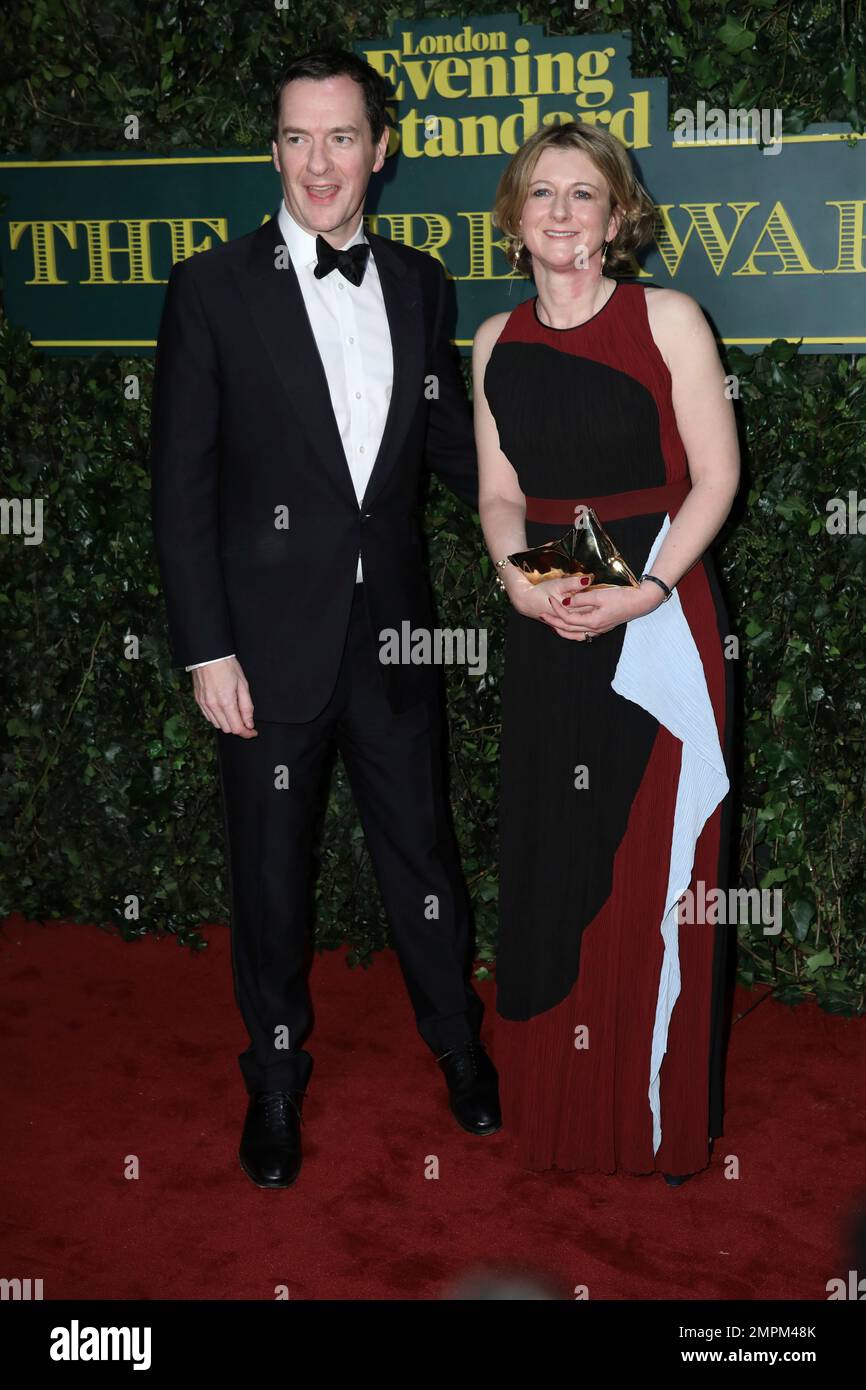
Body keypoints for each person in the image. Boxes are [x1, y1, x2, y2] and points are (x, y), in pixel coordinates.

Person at [149, 48, 501, 1190]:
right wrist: (206, 645)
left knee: (423, 852)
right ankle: (278, 1084)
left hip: (393, 636)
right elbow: (181, 485)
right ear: (274, 149)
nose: (318, 162)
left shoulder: (419, 282)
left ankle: (458, 1046)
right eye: (297, 138)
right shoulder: (210, 289)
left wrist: (568, 520)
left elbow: (453, 449)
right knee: (269, 875)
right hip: (261, 646)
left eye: (340, 136)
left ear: (379, 149)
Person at [472, 121, 740, 1183]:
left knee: (649, 864)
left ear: (619, 216)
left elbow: (713, 478)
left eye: (584, 195)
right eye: (542, 194)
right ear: (513, 217)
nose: (561, 213)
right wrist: (521, 582)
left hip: (660, 613)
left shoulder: (667, 318)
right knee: (554, 857)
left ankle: (651, 1122)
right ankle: (560, 1114)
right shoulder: (493, 340)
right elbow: (500, 493)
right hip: (550, 608)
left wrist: (647, 589)